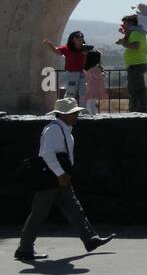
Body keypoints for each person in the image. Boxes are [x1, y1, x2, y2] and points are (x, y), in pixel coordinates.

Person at [14, 97, 116, 263]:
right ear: (62, 115)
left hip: (59, 179)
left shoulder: (63, 128)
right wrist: (60, 174)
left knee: (74, 208)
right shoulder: (54, 130)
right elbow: (47, 154)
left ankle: (90, 239)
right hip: (51, 179)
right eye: (73, 113)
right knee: (39, 214)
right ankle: (24, 248)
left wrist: (63, 175)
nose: (76, 115)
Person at [41, 31, 92, 106]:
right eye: (77, 36)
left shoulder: (85, 49)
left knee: (83, 93)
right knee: (71, 93)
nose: (80, 38)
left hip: (82, 73)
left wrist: (86, 55)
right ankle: (67, 110)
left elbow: (88, 62)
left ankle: (83, 111)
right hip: (72, 73)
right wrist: (49, 45)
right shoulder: (67, 48)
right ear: (72, 39)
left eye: (82, 36)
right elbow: (56, 50)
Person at [121, 15, 147, 112]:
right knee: (135, 89)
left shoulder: (136, 33)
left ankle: (140, 111)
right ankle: (137, 109)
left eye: (124, 23)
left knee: (137, 89)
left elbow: (136, 46)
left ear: (130, 23)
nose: (122, 25)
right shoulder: (133, 33)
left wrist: (124, 44)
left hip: (135, 65)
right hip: (134, 65)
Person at [82, 49, 108, 116]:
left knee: (90, 103)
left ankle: (91, 115)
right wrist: (103, 73)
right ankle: (93, 115)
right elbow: (99, 76)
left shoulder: (87, 68)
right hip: (95, 88)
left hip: (90, 87)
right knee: (92, 103)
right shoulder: (95, 68)